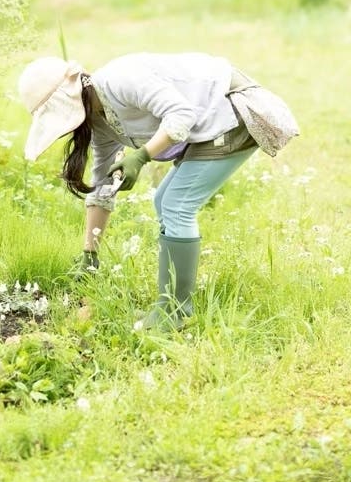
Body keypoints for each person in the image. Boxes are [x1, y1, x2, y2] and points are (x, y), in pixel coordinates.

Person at [19, 52, 262, 330]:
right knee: (164, 201)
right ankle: (169, 305)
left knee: (177, 206)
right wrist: (90, 254)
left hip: (231, 111)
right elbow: (102, 185)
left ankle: (175, 312)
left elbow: (182, 114)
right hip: (210, 122)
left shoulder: (120, 79)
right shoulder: (99, 120)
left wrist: (142, 156)